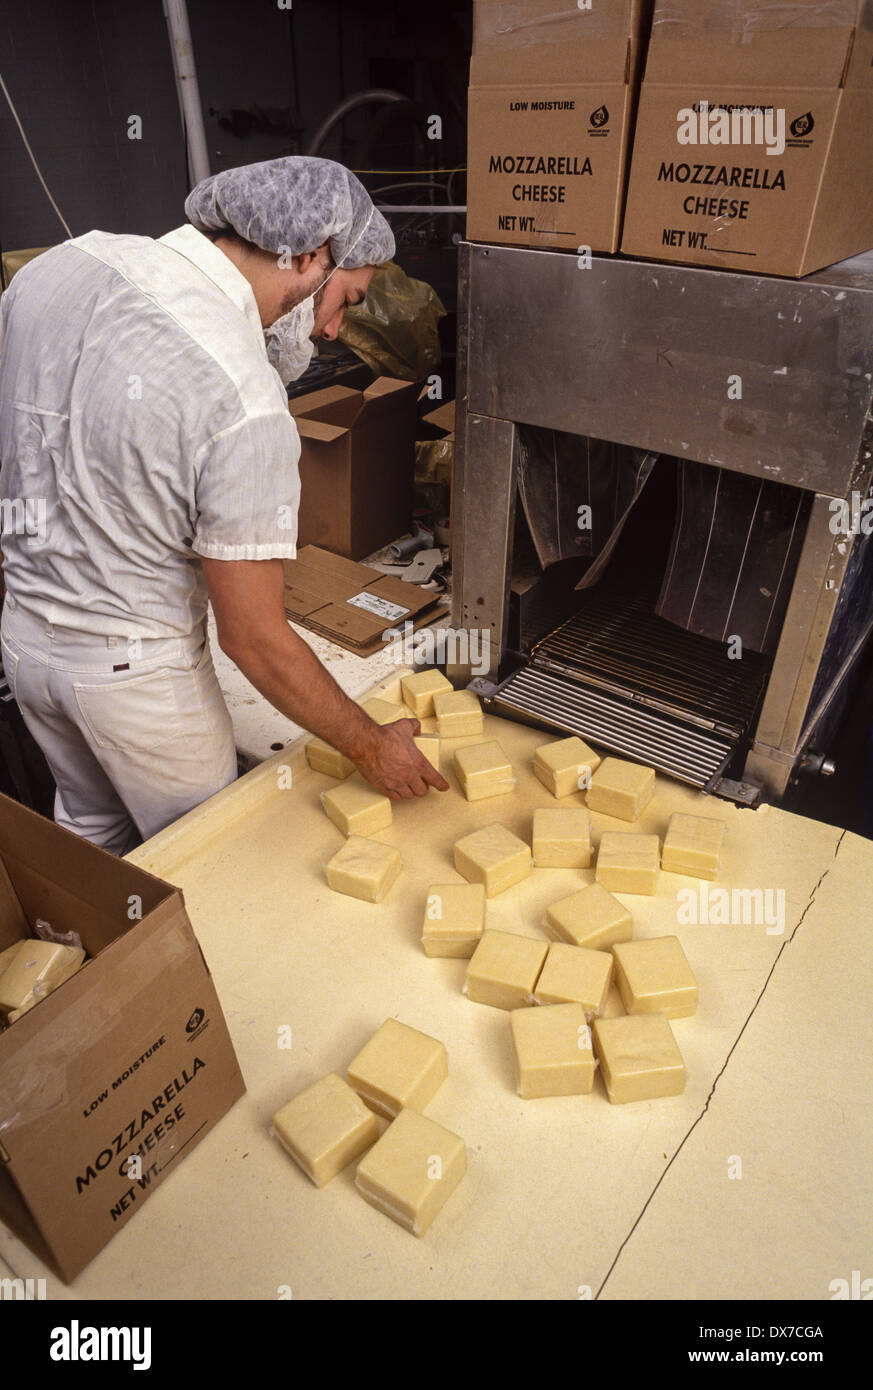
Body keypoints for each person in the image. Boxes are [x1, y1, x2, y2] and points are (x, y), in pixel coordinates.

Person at [0, 156, 448, 854]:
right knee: (205, 863)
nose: (333, 331)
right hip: (137, 685)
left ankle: (74, 962)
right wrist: (367, 744)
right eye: (347, 300)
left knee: (92, 841)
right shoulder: (239, 391)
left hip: (26, 646)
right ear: (308, 253)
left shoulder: (57, 268)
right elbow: (253, 638)